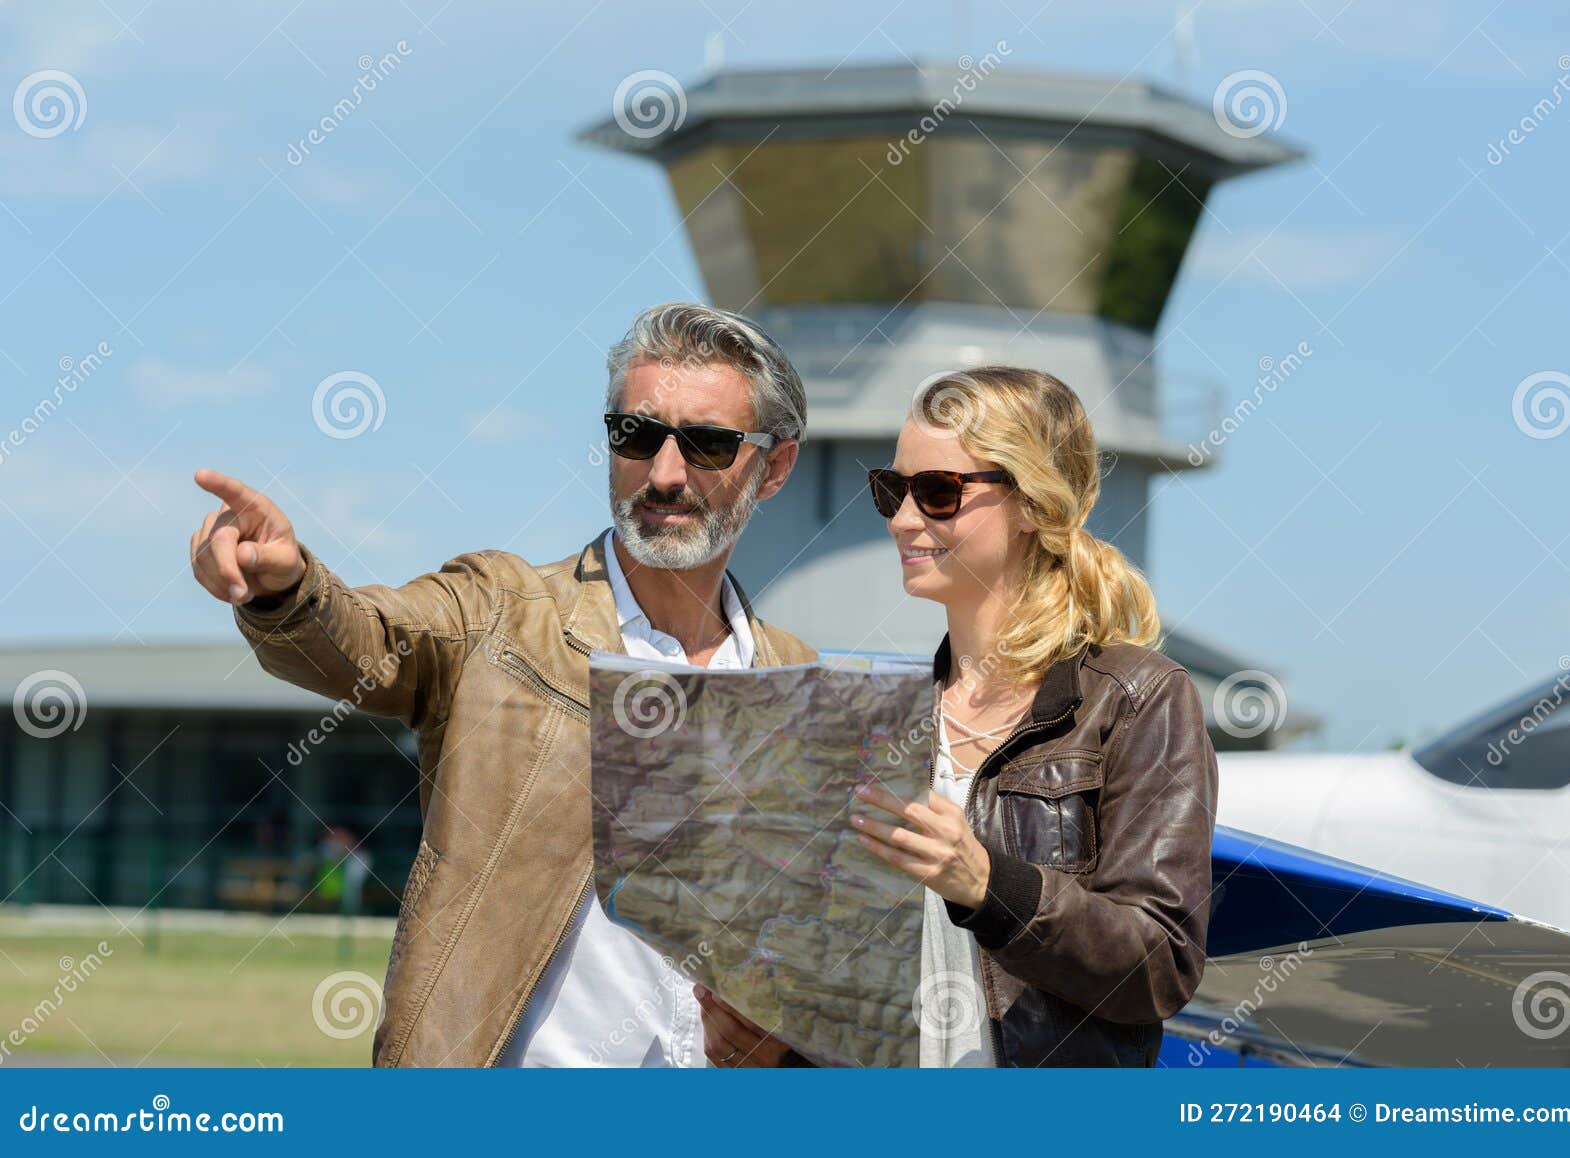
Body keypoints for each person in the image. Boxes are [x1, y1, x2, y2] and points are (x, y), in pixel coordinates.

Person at [188, 302, 816, 1067]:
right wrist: (285, 588)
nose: (665, 474)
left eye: (710, 444)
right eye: (637, 434)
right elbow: (363, 641)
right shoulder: (500, 613)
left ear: (775, 467)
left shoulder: (800, 681)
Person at [707, 366, 1218, 1067]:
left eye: (939, 492)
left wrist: (988, 886)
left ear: (1034, 501)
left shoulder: (1136, 699)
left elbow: (1158, 967)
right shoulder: (877, 718)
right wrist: (776, 1048)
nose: (903, 519)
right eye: (892, 489)